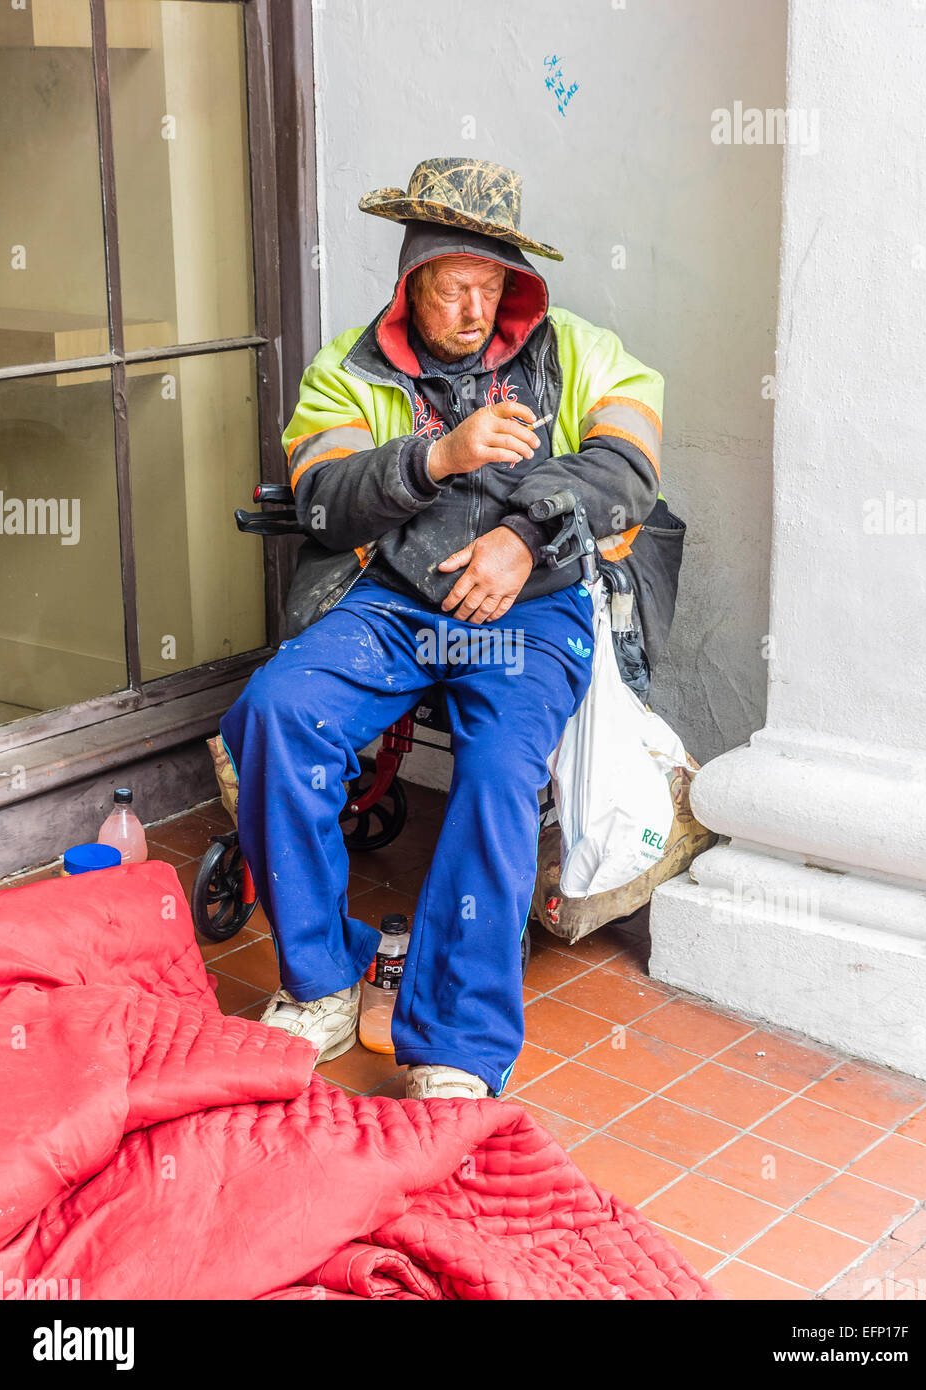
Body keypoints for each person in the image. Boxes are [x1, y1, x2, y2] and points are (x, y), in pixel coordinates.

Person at [220, 156, 664, 1099]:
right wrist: (432, 458)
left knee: (502, 771)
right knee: (276, 712)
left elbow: (628, 470)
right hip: (388, 600)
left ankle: (457, 1043)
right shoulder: (345, 369)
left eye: (490, 287)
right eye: (450, 289)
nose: (472, 310)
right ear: (408, 285)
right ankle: (321, 980)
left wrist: (520, 537)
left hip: (529, 610)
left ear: (516, 282)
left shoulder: (585, 352)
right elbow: (324, 504)